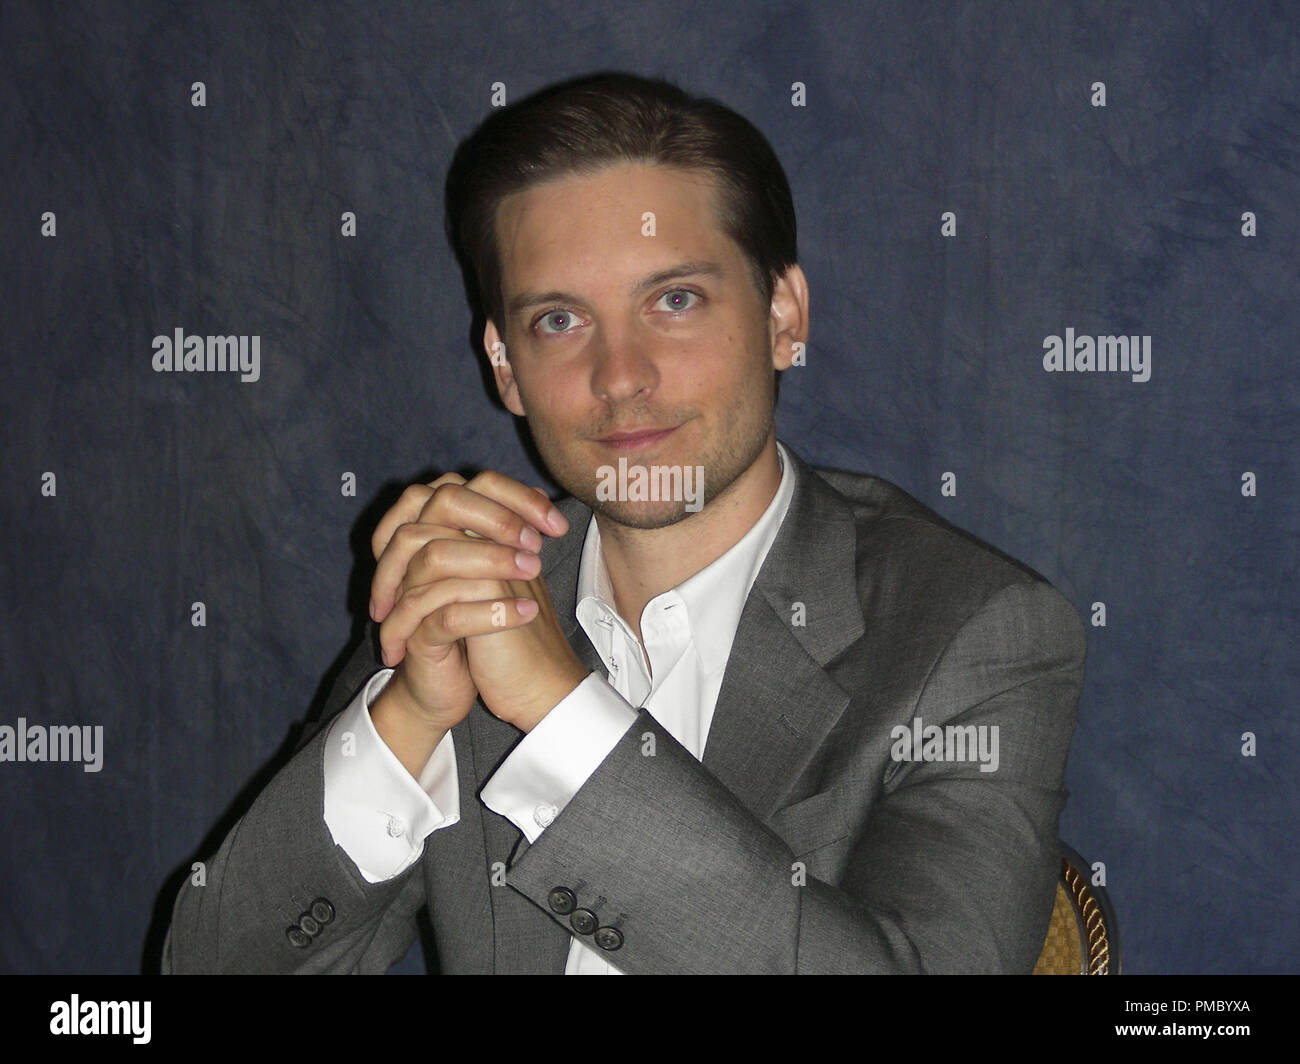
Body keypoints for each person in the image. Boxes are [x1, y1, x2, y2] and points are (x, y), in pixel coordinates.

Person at [162, 71, 1086, 974]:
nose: (620, 375)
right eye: (560, 320)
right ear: (504, 367)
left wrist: (565, 718)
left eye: (674, 300)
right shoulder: (469, 588)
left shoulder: (975, 632)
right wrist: (405, 720)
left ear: (783, 315)